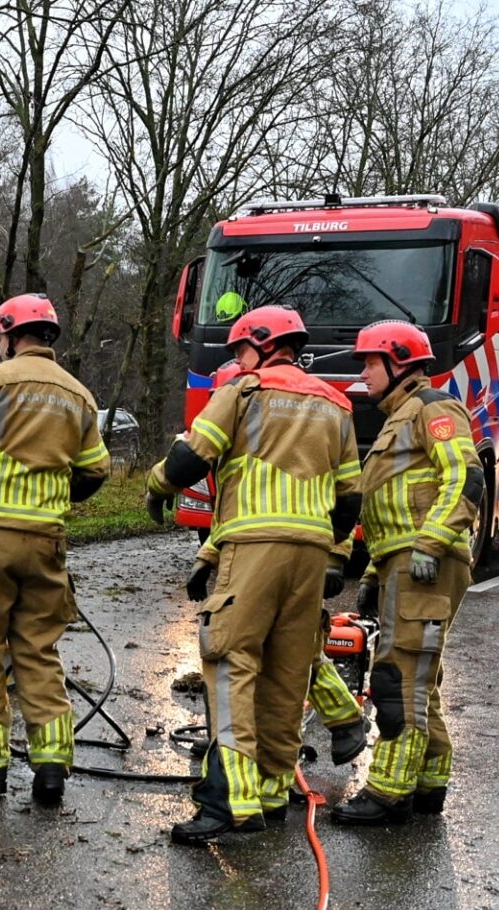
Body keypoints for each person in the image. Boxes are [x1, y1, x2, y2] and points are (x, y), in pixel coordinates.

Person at [146, 305, 361, 843]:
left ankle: (227, 802)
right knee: (287, 671)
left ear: (264, 345)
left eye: (241, 350)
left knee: (229, 659)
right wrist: (331, 554)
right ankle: (267, 792)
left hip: (255, 545)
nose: (238, 361)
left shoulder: (243, 393)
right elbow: (350, 497)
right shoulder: (335, 404)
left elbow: (192, 457)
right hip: (311, 552)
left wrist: (156, 486)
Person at [0, 294, 108, 806]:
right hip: (46, 542)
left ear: (8, 335)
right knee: (38, 649)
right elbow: (96, 471)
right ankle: (50, 771)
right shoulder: (80, 396)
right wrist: (53, 494)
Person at [330, 321, 481, 824]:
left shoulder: (432, 408)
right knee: (421, 677)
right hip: (402, 560)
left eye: (370, 362)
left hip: (425, 563)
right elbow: (389, 509)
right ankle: (428, 783)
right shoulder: (398, 418)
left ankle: (387, 794)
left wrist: (432, 542)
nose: (363, 373)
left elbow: (465, 475)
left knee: (398, 679)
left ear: (400, 362)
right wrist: (373, 572)